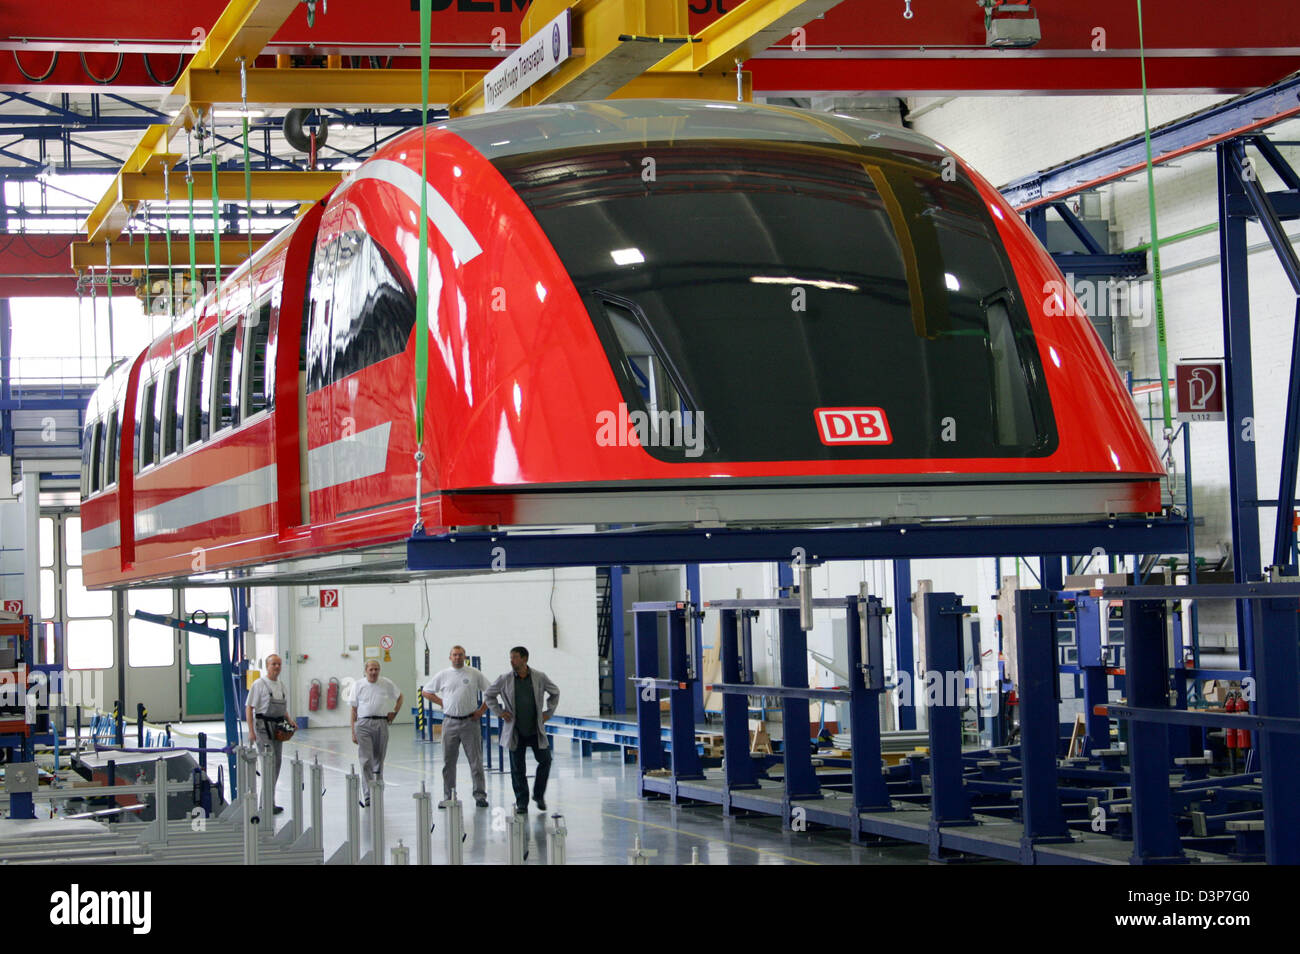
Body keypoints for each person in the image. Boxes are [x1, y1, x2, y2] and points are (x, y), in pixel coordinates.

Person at [485, 646, 560, 814]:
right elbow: (489, 695)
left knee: (546, 760)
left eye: (515, 657)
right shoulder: (505, 679)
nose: (512, 660)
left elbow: (555, 692)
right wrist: (499, 712)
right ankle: (522, 803)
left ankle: (538, 795)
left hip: (535, 729)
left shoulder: (539, 677)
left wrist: (548, 713)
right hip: (515, 730)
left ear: (525, 659)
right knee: (518, 769)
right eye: (511, 657)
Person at [422, 645, 490, 808]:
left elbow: (491, 692)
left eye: (460, 655)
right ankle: (449, 796)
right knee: (448, 762)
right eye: (454, 655)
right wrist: (442, 702)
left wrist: (481, 711)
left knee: (476, 761)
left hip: (470, 723)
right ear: (450, 657)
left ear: (465, 657)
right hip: (450, 722)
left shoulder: (474, 673)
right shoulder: (443, 675)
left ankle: (480, 796)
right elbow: (426, 691)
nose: (458, 657)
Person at [349, 659, 403, 808]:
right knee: (366, 760)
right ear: (366, 670)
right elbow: (353, 710)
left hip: (381, 723)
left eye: (376, 669)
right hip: (363, 724)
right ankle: (367, 795)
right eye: (371, 669)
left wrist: (395, 712)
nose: (374, 672)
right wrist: (353, 731)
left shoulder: (386, 683)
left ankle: (377, 790)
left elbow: (400, 697)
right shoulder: (358, 685)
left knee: (379, 759)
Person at [245, 653, 291, 815]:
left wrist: (289, 721)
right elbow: (249, 708)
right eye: (274, 664)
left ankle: (269, 802)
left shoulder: (281, 685)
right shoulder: (259, 684)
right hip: (262, 729)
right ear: (267, 666)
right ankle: (265, 804)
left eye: (279, 664)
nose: (277, 667)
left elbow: (283, 708)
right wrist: (251, 732)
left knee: (276, 764)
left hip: (278, 728)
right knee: (268, 764)